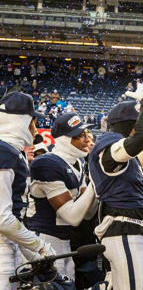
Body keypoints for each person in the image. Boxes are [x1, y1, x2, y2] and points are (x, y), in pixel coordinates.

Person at [88, 82, 143, 290]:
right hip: (123, 229)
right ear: (131, 127)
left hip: (128, 229)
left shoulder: (122, 152)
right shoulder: (110, 144)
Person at [27, 112, 98, 279]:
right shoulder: (47, 163)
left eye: (86, 134)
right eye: (80, 135)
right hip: (44, 240)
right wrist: (97, 179)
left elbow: (88, 213)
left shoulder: (78, 162)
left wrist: (98, 182)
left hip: (65, 241)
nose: (87, 139)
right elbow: (73, 217)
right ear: (65, 140)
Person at [0, 92, 55, 290]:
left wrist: (31, 253)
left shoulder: (11, 150)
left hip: (8, 244)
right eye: (33, 122)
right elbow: (2, 218)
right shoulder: (4, 152)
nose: (35, 129)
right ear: (21, 121)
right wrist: (40, 246)